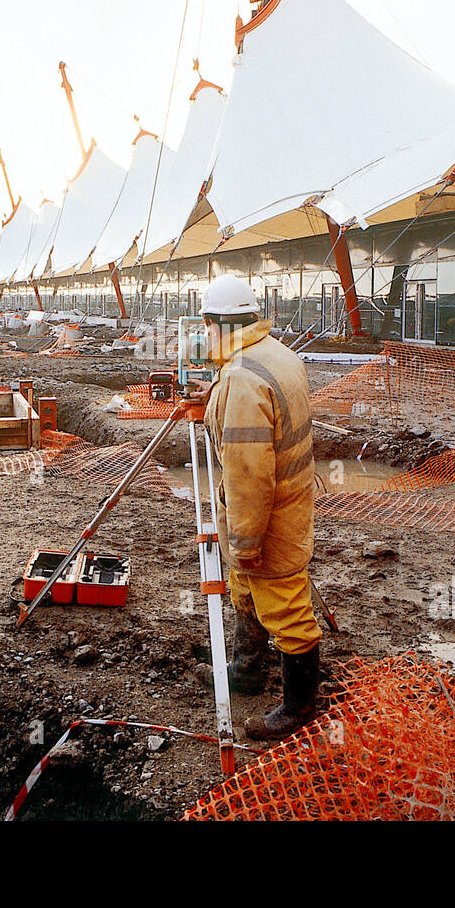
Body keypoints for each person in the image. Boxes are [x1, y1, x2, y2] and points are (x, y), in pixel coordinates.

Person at [190, 274, 320, 741]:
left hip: (268, 515)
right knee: (246, 588)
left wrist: (244, 540)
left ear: (216, 324)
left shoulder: (242, 379)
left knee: (284, 605)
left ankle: (299, 706)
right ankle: (246, 670)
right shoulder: (273, 354)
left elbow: (247, 474)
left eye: (204, 326)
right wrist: (215, 397)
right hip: (291, 499)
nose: (201, 336)